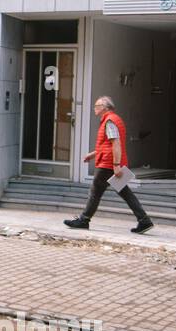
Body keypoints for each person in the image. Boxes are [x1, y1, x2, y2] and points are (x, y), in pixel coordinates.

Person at [64, 96, 154, 234]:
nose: (95, 108)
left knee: (95, 192)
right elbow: (107, 144)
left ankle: (84, 220)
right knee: (125, 192)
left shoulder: (110, 121)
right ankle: (144, 220)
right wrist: (92, 155)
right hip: (112, 162)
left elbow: (116, 143)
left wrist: (116, 165)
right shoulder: (113, 119)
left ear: (104, 108)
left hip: (107, 164)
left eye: (96, 106)